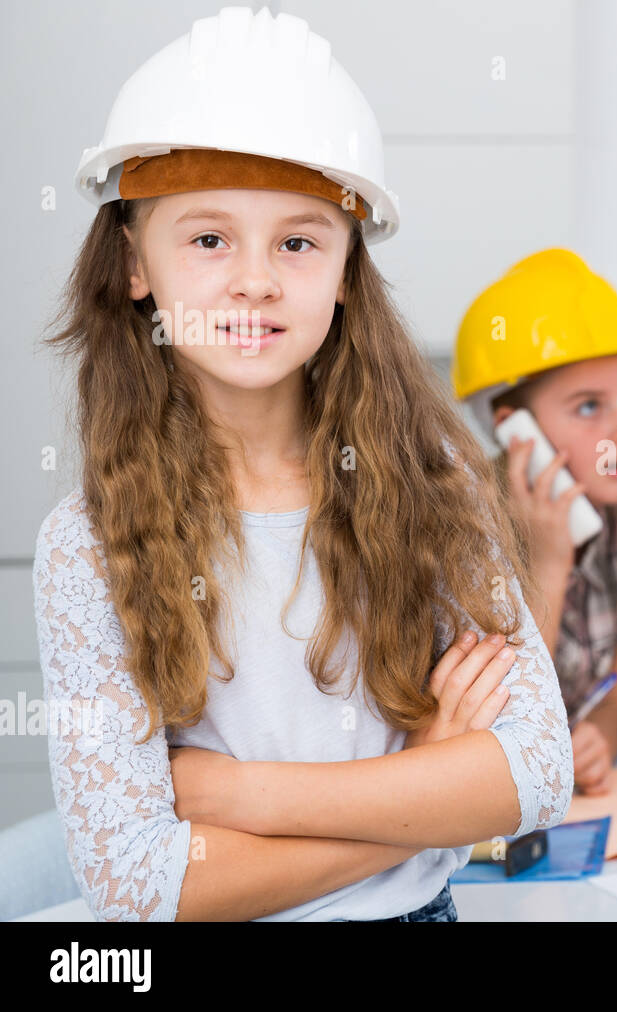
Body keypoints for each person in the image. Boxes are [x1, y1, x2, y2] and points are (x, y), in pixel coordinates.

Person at [34, 7, 571, 922]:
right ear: (135, 263)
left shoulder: (431, 480)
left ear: (347, 271)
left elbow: (536, 774)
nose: (256, 280)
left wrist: (239, 796)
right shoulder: (85, 546)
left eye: (298, 240)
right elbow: (137, 886)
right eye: (208, 239)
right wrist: (423, 797)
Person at [452, 249, 617, 795]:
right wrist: (551, 560)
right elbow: (489, 725)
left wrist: (598, 740)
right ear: (517, 431)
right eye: (588, 407)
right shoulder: (457, 527)